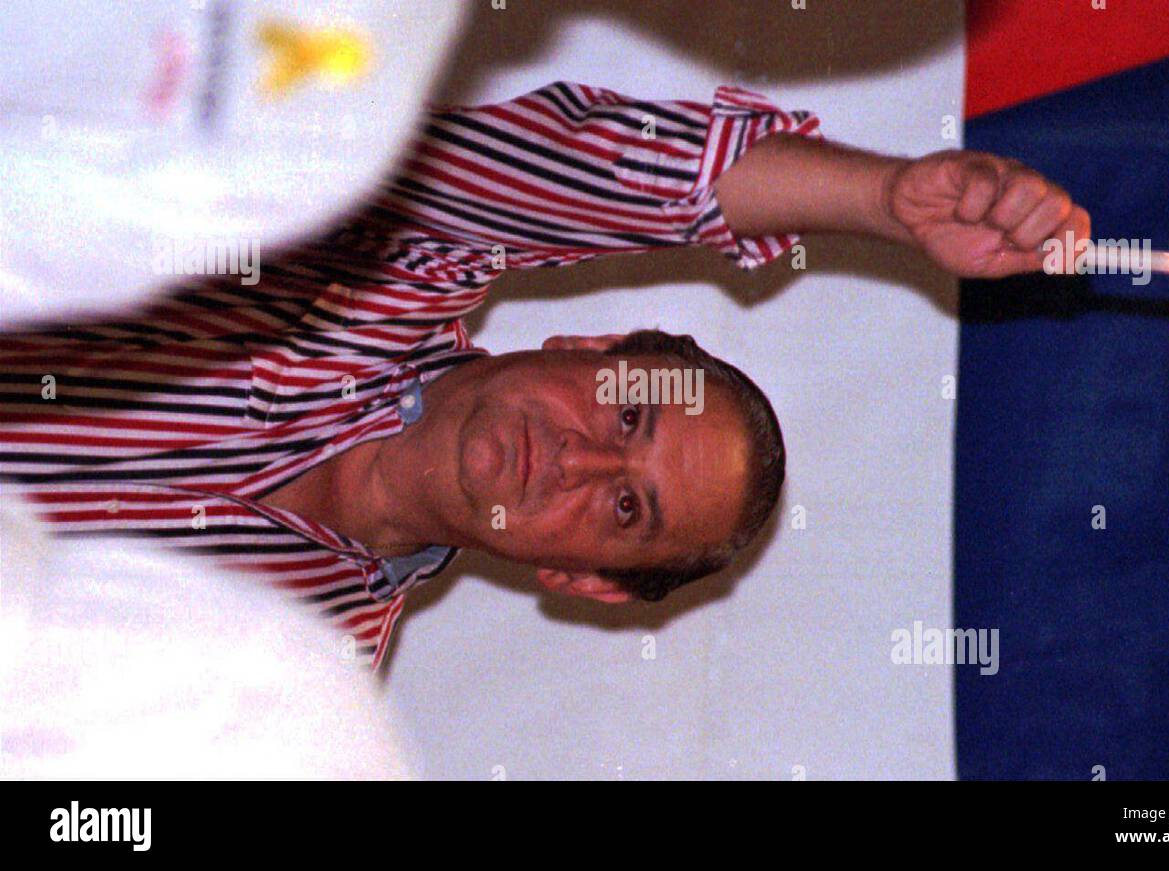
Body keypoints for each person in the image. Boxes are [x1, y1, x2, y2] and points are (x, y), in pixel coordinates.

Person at [0, 81, 1088, 668]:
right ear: (579, 348)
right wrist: (883, 199)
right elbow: (617, 171)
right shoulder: (381, 257)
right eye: (626, 409)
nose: (576, 455)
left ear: (584, 581)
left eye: (625, 504)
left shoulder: (298, 691)